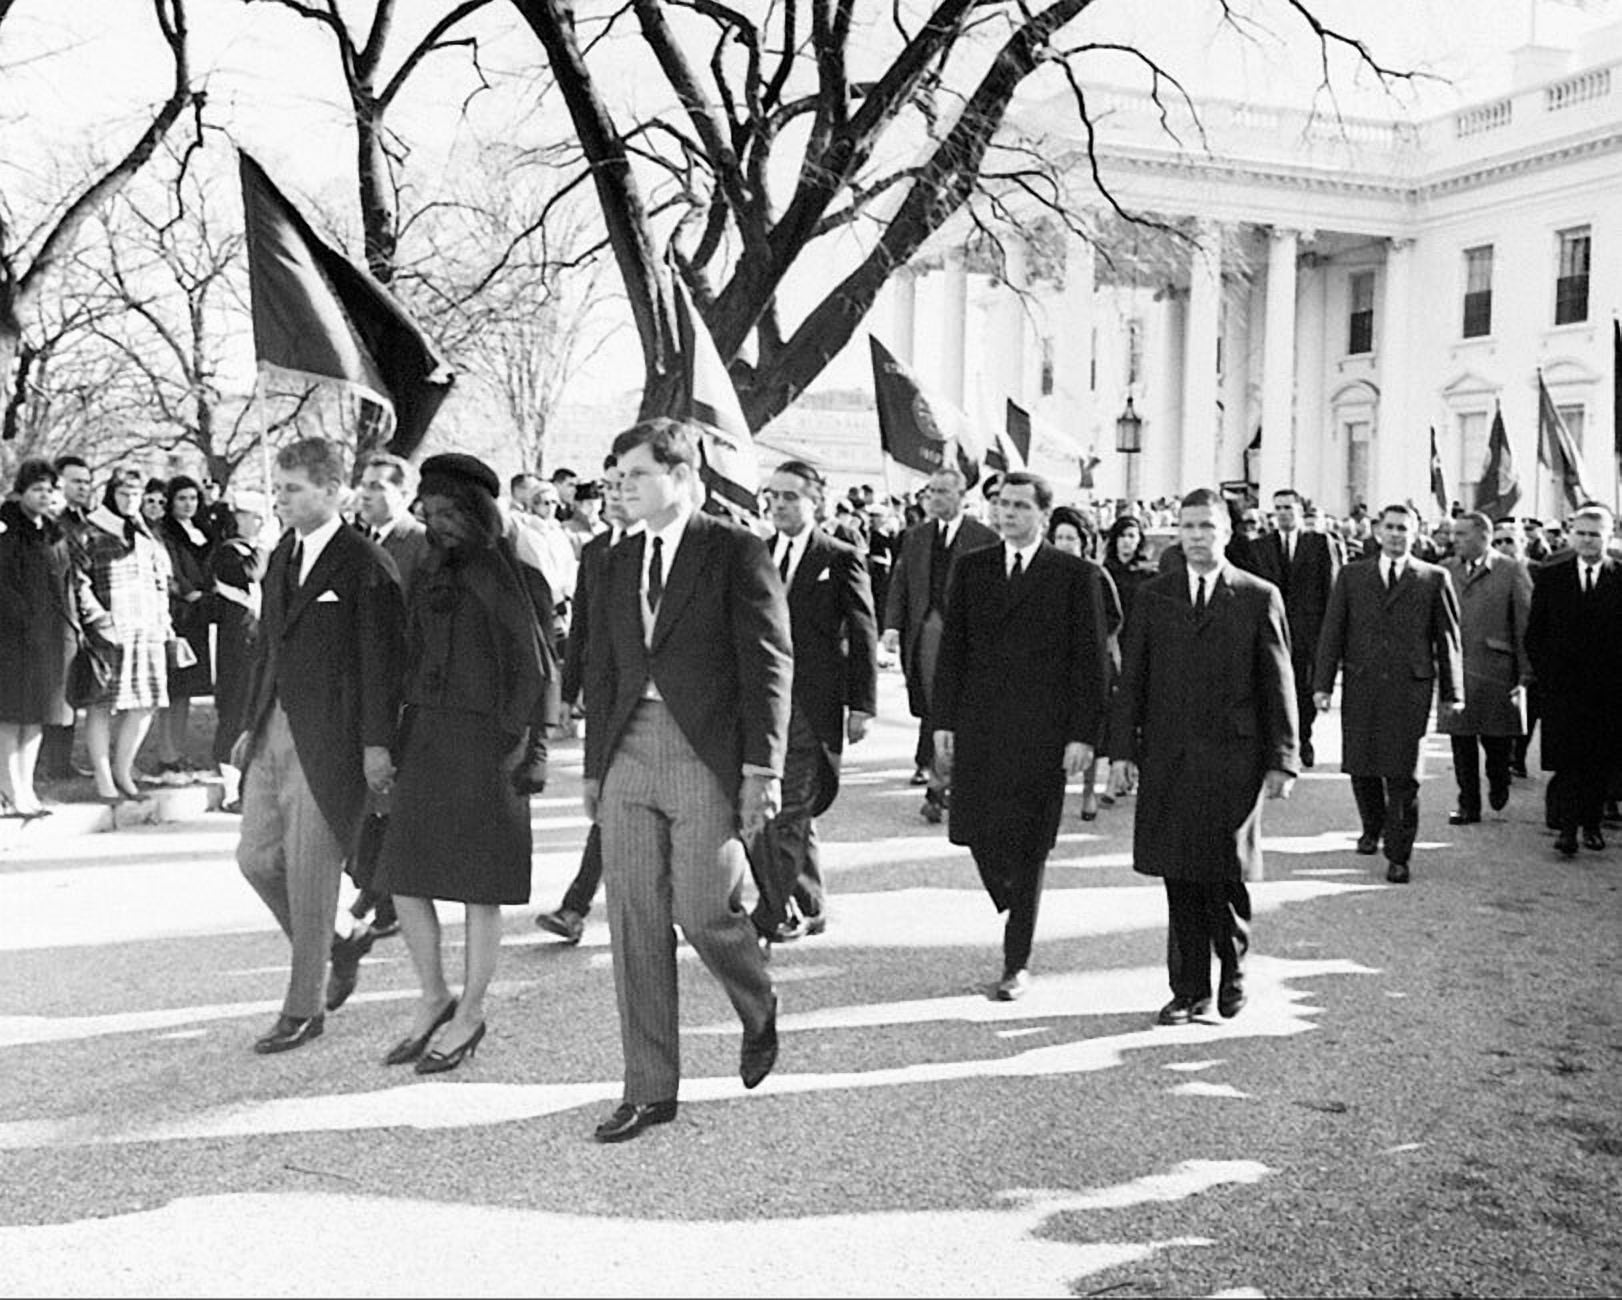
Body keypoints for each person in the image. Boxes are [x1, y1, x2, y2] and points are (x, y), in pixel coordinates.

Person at [583, 417, 790, 1143]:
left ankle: (757, 1001)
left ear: (681, 475)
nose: (623, 488)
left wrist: (762, 768)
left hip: (704, 752)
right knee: (634, 919)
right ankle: (648, 1089)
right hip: (628, 753)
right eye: (618, 476)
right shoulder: (611, 559)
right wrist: (594, 767)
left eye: (637, 474)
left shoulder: (733, 550)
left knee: (704, 910)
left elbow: (768, 663)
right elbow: (601, 666)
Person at [373, 454, 553, 1073]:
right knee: (404, 874)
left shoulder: (518, 572)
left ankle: (471, 1012)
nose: (437, 524)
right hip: (426, 734)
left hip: (492, 742)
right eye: (430, 512)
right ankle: (433, 996)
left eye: (450, 512)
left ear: (477, 513)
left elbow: (540, 668)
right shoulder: (425, 569)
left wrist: (534, 750)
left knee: (481, 888)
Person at [233, 438, 406, 1054]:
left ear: (332, 491)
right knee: (256, 859)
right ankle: (342, 938)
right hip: (273, 728)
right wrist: (250, 724)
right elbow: (269, 648)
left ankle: (303, 1008)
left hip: (333, 737)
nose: (280, 500)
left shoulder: (364, 562)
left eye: (293, 489)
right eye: (277, 489)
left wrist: (377, 745)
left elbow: (383, 664)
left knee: (311, 875)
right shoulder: (283, 553)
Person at [1109, 487, 1298, 1025]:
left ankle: (1233, 969)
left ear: (1227, 533)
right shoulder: (1155, 595)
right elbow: (1133, 679)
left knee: (1224, 870)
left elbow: (1278, 681)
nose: (1197, 537)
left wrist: (1283, 758)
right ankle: (1188, 989)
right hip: (1169, 754)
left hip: (1234, 758)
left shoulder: (1258, 596)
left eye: (1207, 527)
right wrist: (1122, 751)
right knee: (1178, 872)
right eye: (1188, 526)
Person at [932, 472, 1109, 1000]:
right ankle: (1010, 895)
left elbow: (1091, 662)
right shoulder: (973, 568)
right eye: (1002, 505)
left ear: (1044, 516)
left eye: (1020, 506)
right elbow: (953, 651)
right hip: (980, 725)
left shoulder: (1075, 575)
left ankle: (1016, 963)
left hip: (1043, 732)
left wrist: (1083, 735)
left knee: (1030, 847)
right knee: (974, 832)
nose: (1007, 514)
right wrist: (942, 721)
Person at [750, 460, 879, 942]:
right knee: (787, 811)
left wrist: (862, 705)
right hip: (764, 705)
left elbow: (862, 631)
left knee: (788, 809)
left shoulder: (840, 557)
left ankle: (771, 913)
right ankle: (810, 903)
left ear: (816, 501)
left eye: (790, 496)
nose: (779, 505)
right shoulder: (757, 554)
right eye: (773, 496)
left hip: (812, 704)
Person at [1313, 503, 1464, 884]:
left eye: (1404, 528)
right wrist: (1322, 684)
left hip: (1409, 690)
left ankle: (1399, 855)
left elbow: (1447, 640)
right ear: (1378, 531)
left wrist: (1453, 692)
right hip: (1362, 685)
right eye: (1391, 527)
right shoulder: (1352, 576)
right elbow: (1333, 631)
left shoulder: (1433, 578)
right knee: (1361, 766)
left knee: (1403, 775)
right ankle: (1372, 826)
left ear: (1416, 534)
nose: (1396, 535)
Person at [537, 456, 631, 944]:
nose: (613, 496)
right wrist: (567, 692)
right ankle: (575, 906)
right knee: (611, 800)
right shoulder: (596, 550)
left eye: (622, 485)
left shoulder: (672, 551)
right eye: (607, 487)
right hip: (606, 697)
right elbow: (584, 629)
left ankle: (773, 899)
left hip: (656, 702)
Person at [881, 467, 997, 820]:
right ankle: (938, 780)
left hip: (969, 638)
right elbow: (901, 582)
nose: (935, 498)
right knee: (936, 707)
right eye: (931, 491)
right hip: (927, 633)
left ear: (962, 496)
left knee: (963, 710)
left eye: (944, 491)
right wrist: (892, 626)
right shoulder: (915, 536)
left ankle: (943, 785)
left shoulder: (984, 537)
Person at [1525, 503, 1622, 857]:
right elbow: (1535, 634)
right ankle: (1566, 830)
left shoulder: (1619, 577)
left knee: (1598, 762)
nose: (1587, 540)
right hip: (1562, 689)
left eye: (1595, 534)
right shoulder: (1552, 577)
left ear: (1609, 537)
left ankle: (1591, 825)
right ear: (1570, 535)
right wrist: (1548, 676)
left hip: (1608, 691)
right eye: (1580, 533)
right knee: (1566, 762)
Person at [76, 469, 176, 804]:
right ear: (111, 493)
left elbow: (161, 582)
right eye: (124, 493)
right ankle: (104, 779)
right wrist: (99, 619)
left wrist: (163, 621)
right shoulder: (91, 530)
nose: (131, 500)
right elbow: (80, 582)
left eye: (136, 493)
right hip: (109, 632)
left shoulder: (146, 534)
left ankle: (123, 770)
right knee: (102, 705)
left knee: (146, 703)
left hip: (146, 630)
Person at [1439, 512, 1531, 825]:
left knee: (1496, 739)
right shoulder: (1446, 569)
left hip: (1496, 669)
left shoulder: (1511, 570)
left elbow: (1524, 623)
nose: (1455, 540)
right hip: (1456, 668)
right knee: (1460, 739)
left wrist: (1525, 673)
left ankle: (1499, 778)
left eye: (1462, 534)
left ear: (1484, 536)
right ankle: (1468, 804)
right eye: (1455, 534)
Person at [0, 460, 79, 818]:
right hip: (13, 638)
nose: (44, 496)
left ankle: (26, 789)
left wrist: (70, 627)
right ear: (21, 493)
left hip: (50, 637)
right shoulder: (7, 531)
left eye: (49, 490)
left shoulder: (54, 533)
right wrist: (25, 621)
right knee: (11, 716)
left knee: (37, 716)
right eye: (36, 489)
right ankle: (9, 790)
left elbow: (66, 583)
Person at [1249, 488, 1341, 768]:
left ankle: (1304, 737)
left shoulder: (1320, 543)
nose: (1283, 514)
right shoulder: (1260, 547)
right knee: (1273, 688)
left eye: (1288, 507)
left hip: (1307, 632)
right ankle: (1280, 743)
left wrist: (1329, 634)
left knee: (1304, 689)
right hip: (1272, 630)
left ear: (1300, 510)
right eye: (1278, 508)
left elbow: (1332, 590)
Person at [1047, 506, 1121, 822]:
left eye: (1071, 538)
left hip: (1088, 662)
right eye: (1060, 537)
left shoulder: (1095, 573)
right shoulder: (1045, 572)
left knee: (1087, 729)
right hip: (1052, 664)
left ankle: (1089, 792)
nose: (1064, 544)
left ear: (1083, 542)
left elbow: (1115, 616)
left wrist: (1093, 638)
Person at [210, 490, 270, 808]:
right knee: (234, 707)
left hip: (258, 640)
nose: (259, 523)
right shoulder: (229, 552)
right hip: (236, 641)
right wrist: (265, 546)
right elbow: (249, 573)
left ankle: (247, 782)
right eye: (254, 517)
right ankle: (230, 788)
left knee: (252, 709)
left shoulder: (258, 551)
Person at [153, 476, 215, 779]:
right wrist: (189, 593)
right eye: (182, 499)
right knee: (174, 686)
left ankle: (177, 751)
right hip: (179, 612)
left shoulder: (204, 530)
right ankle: (167, 753)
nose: (188, 504)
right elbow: (171, 573)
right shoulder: (165, 533)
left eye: (193, 498)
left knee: (188, 689)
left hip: (200, 615)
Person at [39, 454, 95, 782]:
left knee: (71, 689)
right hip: (52, 615)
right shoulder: (50, 522)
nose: (83, 488)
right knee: (51, 690)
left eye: (87, 482)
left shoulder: (86, 520)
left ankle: (61, 760)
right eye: (76, 482)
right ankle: (46, 762)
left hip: (78, 614)